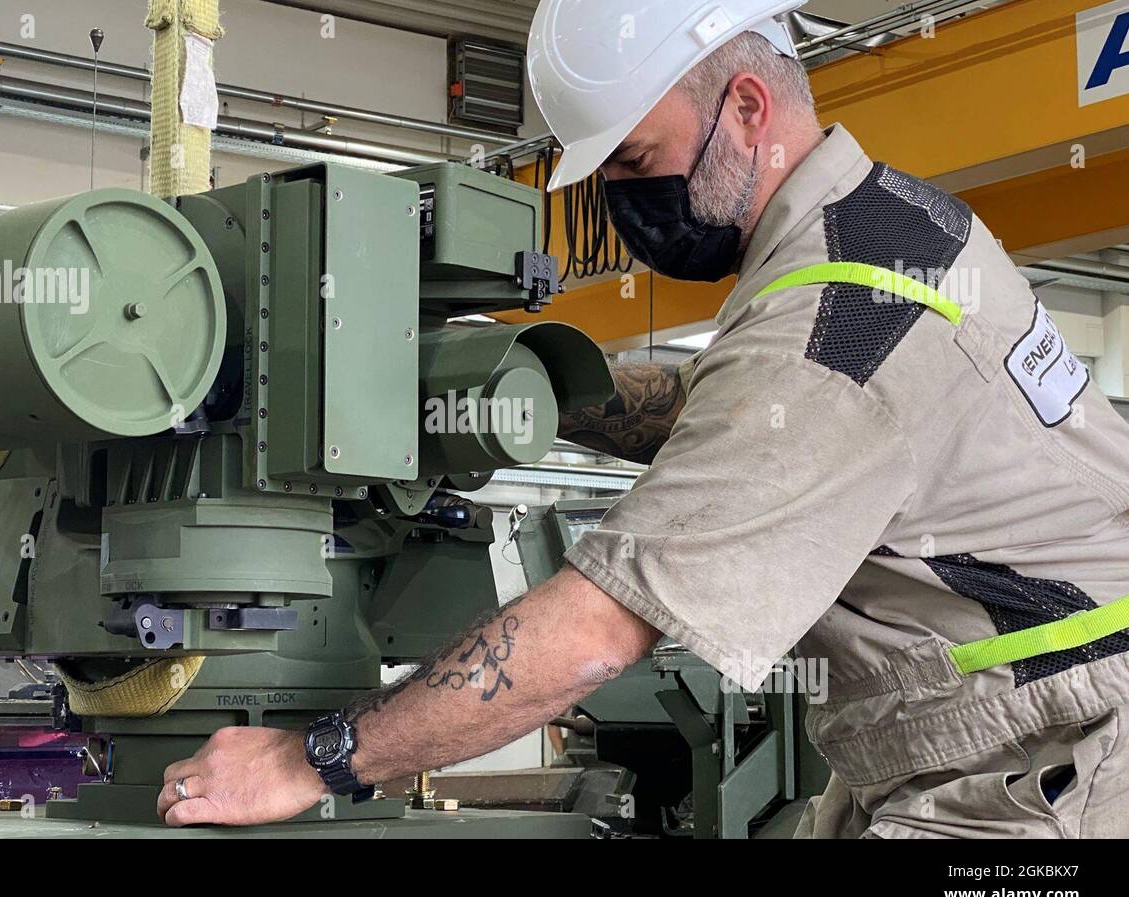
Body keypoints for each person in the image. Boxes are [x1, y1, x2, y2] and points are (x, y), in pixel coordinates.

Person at [158, 0, 1129, 837]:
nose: (622, 199)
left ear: (747, 108)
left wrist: (307, 760)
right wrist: (506, 379)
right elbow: (730, 420)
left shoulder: (830, 318)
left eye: (635, 159)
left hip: (1051, 751)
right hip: (983, 728)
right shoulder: (881, 227)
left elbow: (594, 632)